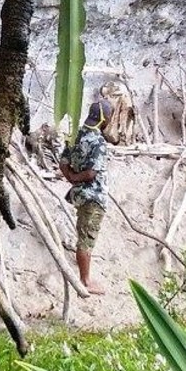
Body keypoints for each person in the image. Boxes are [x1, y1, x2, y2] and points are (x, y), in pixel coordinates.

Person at [61, 100, 112, 295]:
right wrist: (77, 178)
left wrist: (71, 178)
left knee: (83, 231)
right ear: (104, 119)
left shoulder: (75, 134)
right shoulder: (98, 141)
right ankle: (85, 280)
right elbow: (91, 173)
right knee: (86, 239)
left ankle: (83, 269)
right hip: (94, 198)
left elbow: (63, 162)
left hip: (79, 196)